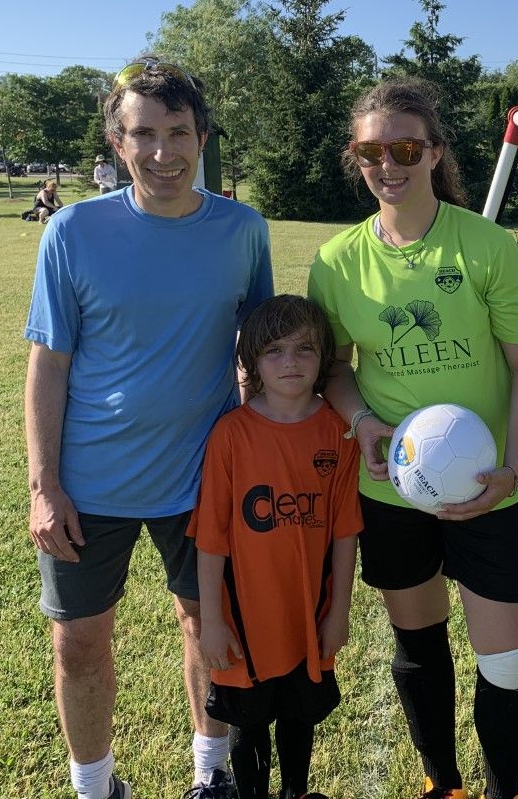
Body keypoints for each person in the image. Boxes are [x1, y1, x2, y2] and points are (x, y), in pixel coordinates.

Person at [24, 56, 274, 799]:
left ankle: (211, 773)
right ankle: (95, 787)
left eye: (178, 132)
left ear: (202, 138)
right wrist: (44, 487)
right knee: (79, 642)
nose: (163, 152)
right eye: (143, 135)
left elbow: (258, 348)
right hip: (88, 484)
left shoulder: (243, 230)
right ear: (117, 143)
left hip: (202, 476)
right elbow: (49, 365)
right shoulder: (72, 231)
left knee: (206, 624)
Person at [307, 77, 518, 799]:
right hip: (392, 491)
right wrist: (362, 423)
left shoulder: (486, 246)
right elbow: (334, 369)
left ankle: (505, 790)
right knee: (418, 646)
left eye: (406, 149)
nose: (389, 164)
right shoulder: (336, 262)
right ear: (356, 157)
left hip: (492, 488)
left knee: (508, 665)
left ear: (435, 153)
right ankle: (443, 784)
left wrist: (512, 469)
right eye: (371, 151)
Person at [190, 294, 362, 799]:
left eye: (305, 349)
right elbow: (211, 538)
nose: (291, 362)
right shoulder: (231, 435)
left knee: (298, 711)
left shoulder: (338, 433)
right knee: (248, 717)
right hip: (245, 617)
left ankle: (296, 792)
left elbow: (345, 532)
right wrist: (212, 620)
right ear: (252, 361)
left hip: (308, 610)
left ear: (324, 355)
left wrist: (338, 612)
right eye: (275, 351)